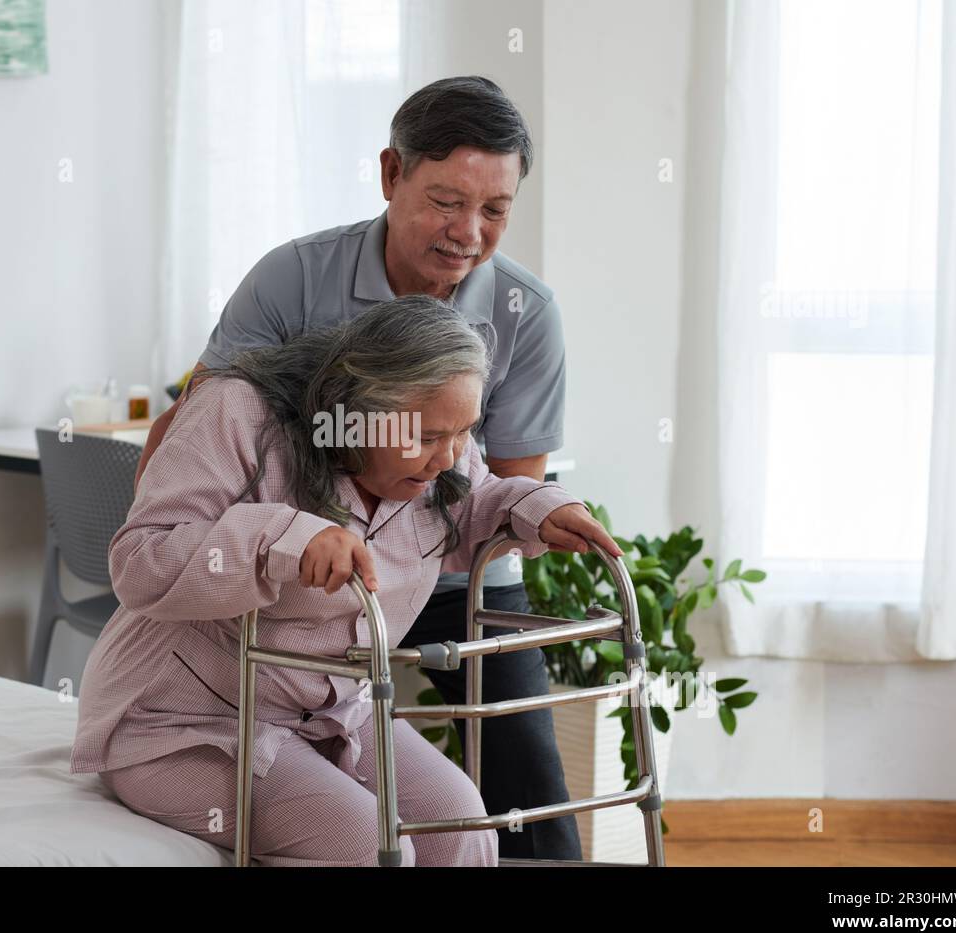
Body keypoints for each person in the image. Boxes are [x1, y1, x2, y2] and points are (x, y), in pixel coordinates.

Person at [134, 75, 583, 861]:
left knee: (529, 802)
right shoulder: (294, 280)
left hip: (446, 569)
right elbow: (200, 420)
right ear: (390, 173)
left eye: (495, 210)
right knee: (342, 801)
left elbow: (488, 483)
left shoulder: (526, 313)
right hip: (297, 570)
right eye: (446, 200)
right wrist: (170, 541)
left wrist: (533, 510)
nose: (468, 231)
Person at [73, 299, 620, 866]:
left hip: (337, 714)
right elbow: (140, 560)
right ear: (356, 409)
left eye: (463, 433)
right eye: (429, 436)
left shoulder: (444, 448)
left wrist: (537, 504)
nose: (448, 458)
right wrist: (280, 538)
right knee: (366, 844)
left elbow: (476, 497)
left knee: (463, 829)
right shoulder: (236, 413)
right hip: (182, 722)